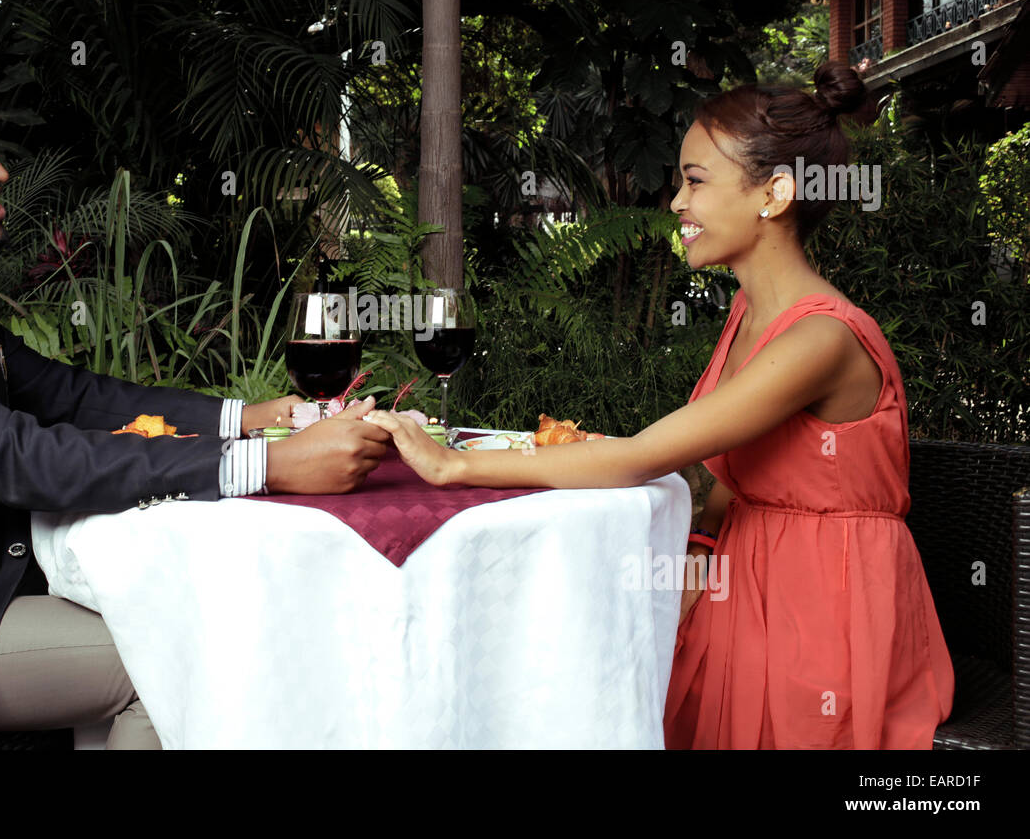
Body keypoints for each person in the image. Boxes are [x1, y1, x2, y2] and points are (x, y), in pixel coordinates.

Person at [0, 65, 389, 749]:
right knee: (173, 659)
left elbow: (71, 397)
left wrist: (246, 418)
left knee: (197, 616)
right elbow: (11, 456)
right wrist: (266, 464)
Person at [365, 63, 955, 749]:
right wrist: (698, 561)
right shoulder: (748, 311)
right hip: (746, 578)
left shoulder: (820, 337)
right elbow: (738, 479)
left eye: (696, 181)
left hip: (826, 607)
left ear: (775, 194)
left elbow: (644, 456)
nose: (677, 201)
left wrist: (452, 468)